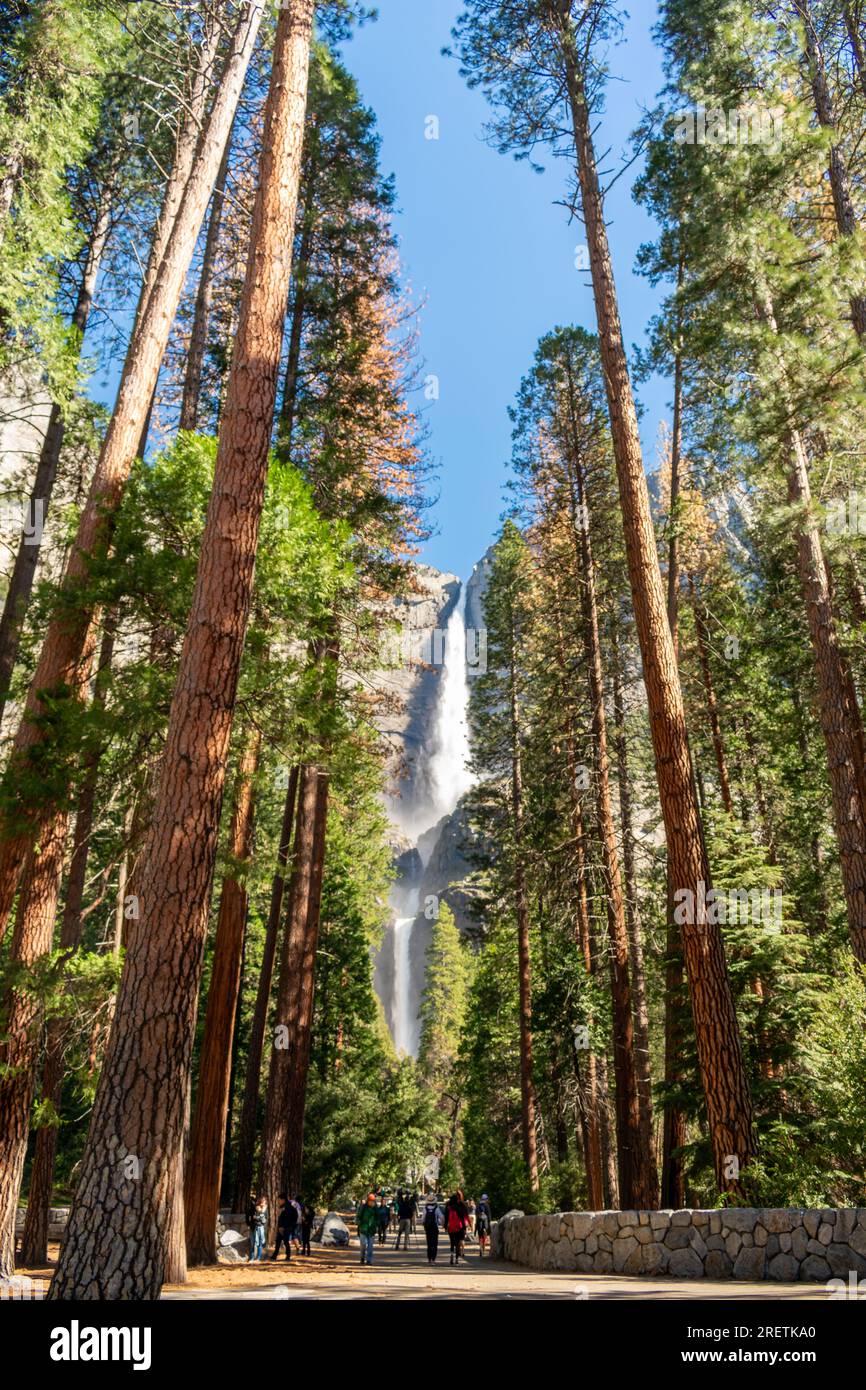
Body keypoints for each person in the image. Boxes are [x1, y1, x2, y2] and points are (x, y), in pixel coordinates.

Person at [445, 1190, 469, 1265]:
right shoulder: (460, 1206)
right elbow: (463, 1217)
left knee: (452, 1242)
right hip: (459, 1227)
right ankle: (457, 1259)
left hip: (451, 1227)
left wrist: (445, 1226)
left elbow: (446, 1217)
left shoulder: (448, 1207)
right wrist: (465, 1228)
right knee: (458, 1243)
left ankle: (451, 1255)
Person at [273, 1193, 297, 1262]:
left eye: (279, 1200)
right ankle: (275, 1255)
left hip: (286, 1227)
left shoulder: (288, 1207)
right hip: (283, 1227)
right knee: (278, 1241)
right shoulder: (284, 1207)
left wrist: (283, 1227)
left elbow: (287, 1218)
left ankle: (288, 1256)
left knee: (286, 1241)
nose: (278, 1202)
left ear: (283, 1200)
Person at [357, 1191, 379, 1266]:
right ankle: (362, 1258)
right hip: (363, 1229)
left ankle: (369, 1260)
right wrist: (359, 1223)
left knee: (370, 1246)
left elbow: (378, 1218)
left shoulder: (376, 1208)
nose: (372, 1203)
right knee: (363, 1245)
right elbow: (358, 1217)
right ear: (368, 1201)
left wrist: (376, 1224)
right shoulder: (363, 1207)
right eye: (371, 1201)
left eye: (373, 1201)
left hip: (371, 1230)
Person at [422, 1196, 444, 1264]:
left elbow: (423, 1219)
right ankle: (433, 1259)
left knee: (429, 1244)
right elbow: (441, 1217)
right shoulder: (436, 1208)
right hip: (434, 1228)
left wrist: (424, 1224)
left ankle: (429, 1258)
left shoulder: (425, 1208)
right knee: (434, 1244)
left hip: (428, 1228)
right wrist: (442, 1224)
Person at [248, 1195, 269, 1263]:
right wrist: (249, 1223)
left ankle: (258, 1258)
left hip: (261, 1229)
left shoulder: (265, 1210)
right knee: (252, 1243)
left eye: (264, 1202)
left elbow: (264, 1220)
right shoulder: (254, 1208)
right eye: (261, 1202)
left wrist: (257, 1218)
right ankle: (251, 1258)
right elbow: (250, 1216)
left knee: (259, 1244)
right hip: (253, 1228)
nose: (263, 1203)